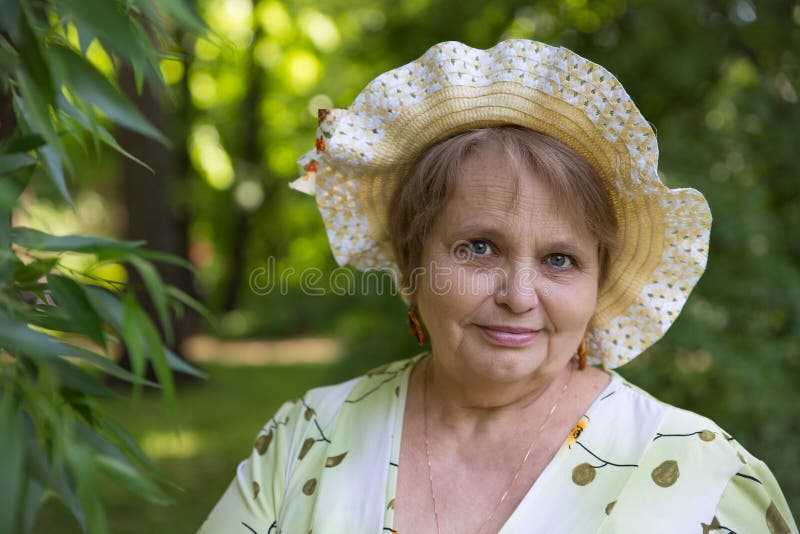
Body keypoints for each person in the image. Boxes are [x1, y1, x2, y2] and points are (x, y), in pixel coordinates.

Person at [199, 40, 797, 533]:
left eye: (560, 259)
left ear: (598, 283)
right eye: (479, 248)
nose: (519, 295)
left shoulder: (700, 479)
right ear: (411, 265)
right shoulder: (305, 438)